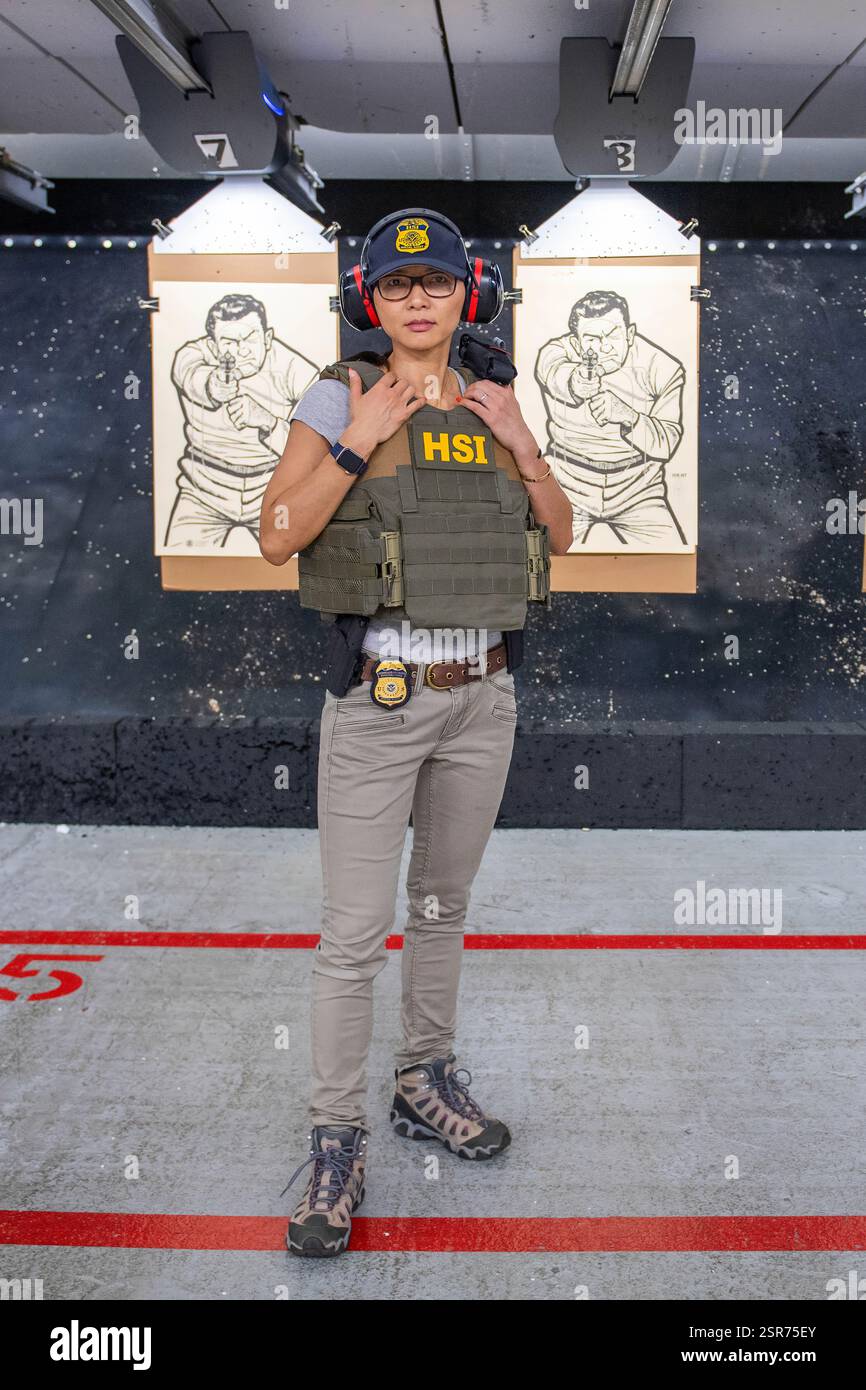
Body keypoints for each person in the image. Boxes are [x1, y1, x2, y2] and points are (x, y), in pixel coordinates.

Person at [259, 208, 573, 1257]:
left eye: (435, 282)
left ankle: (421, 1079)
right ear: (370, 301)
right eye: (396, 287)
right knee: (352, 937)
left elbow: (560, 531)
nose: (418, 300)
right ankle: (335, 1137)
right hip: (380, 700)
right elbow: (276, 535)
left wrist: (523, 443)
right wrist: (358, 436)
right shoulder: (338, 391)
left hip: (483, 695)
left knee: (440, 906)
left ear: (465, 292)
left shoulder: (495, 394)